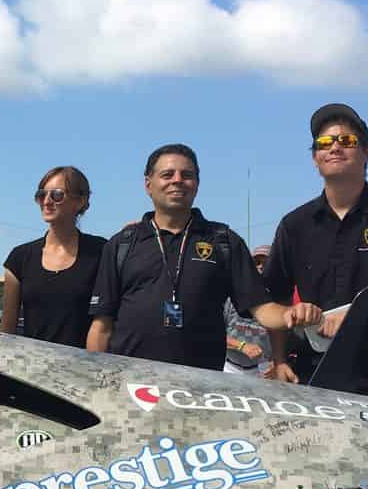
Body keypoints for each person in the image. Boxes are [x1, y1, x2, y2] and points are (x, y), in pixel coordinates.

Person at [87, 144, 317, 368]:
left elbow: (263, 310)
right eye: (167, 174)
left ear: (196, 184)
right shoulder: (122, 243)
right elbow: (101, 326)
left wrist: (291, 313)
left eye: (186, 175)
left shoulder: (224, 241)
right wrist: (93, 381)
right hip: (132, 384)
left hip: (200, 387)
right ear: (148, 184)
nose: (177, 180)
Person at [262, 103, 368, 395]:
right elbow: (276, 296)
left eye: (347, 141)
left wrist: (358, 317)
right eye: (325, 143)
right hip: (312, 371)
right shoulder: (294, 224)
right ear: (315, 158)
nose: (335, 147)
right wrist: (279, 358)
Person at [1, 166, 105, 347]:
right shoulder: (19, 258)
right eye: (41, 195)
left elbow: (107, 322)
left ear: (80, 201)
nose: (47, 201)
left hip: (84, 368)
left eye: (57, 195)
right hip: (30, 368)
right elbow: (7, 331)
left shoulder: (102, 252)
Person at [223, 244, 272, 373]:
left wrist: (277, 362)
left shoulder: (278, 302)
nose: (261, 266)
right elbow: (215, 334)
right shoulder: (231, 296)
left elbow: (283, 338)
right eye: (256, 262)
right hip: (230, 367)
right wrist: (241, 346)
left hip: (263, 369)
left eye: (266, 263)